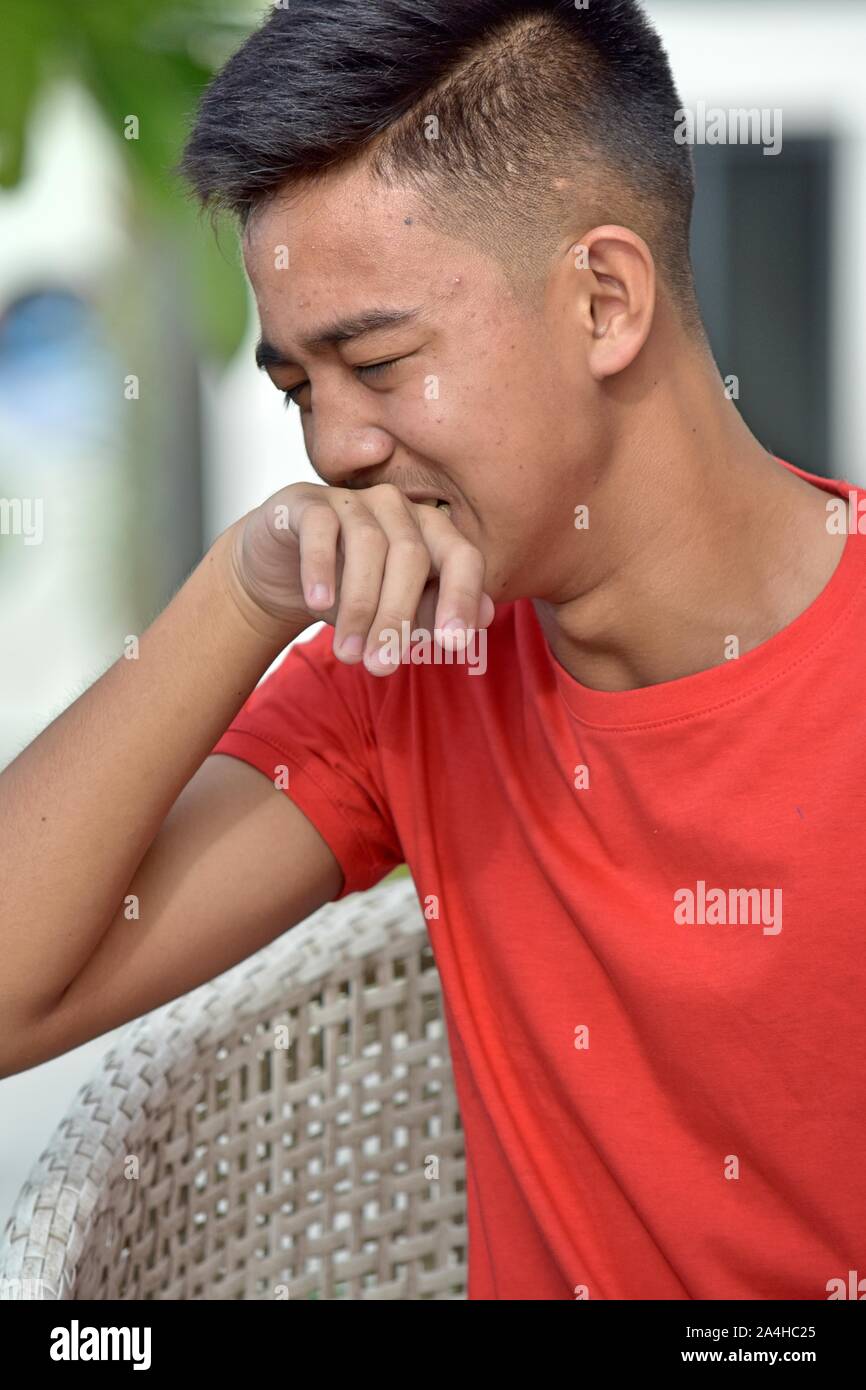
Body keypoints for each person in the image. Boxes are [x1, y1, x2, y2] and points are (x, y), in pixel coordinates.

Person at [1, 0, 863, 1300]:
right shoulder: (407, 667)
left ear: (604, 299)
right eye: (298, 390)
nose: (335, 448)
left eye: (381, 362)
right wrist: (241, 592)